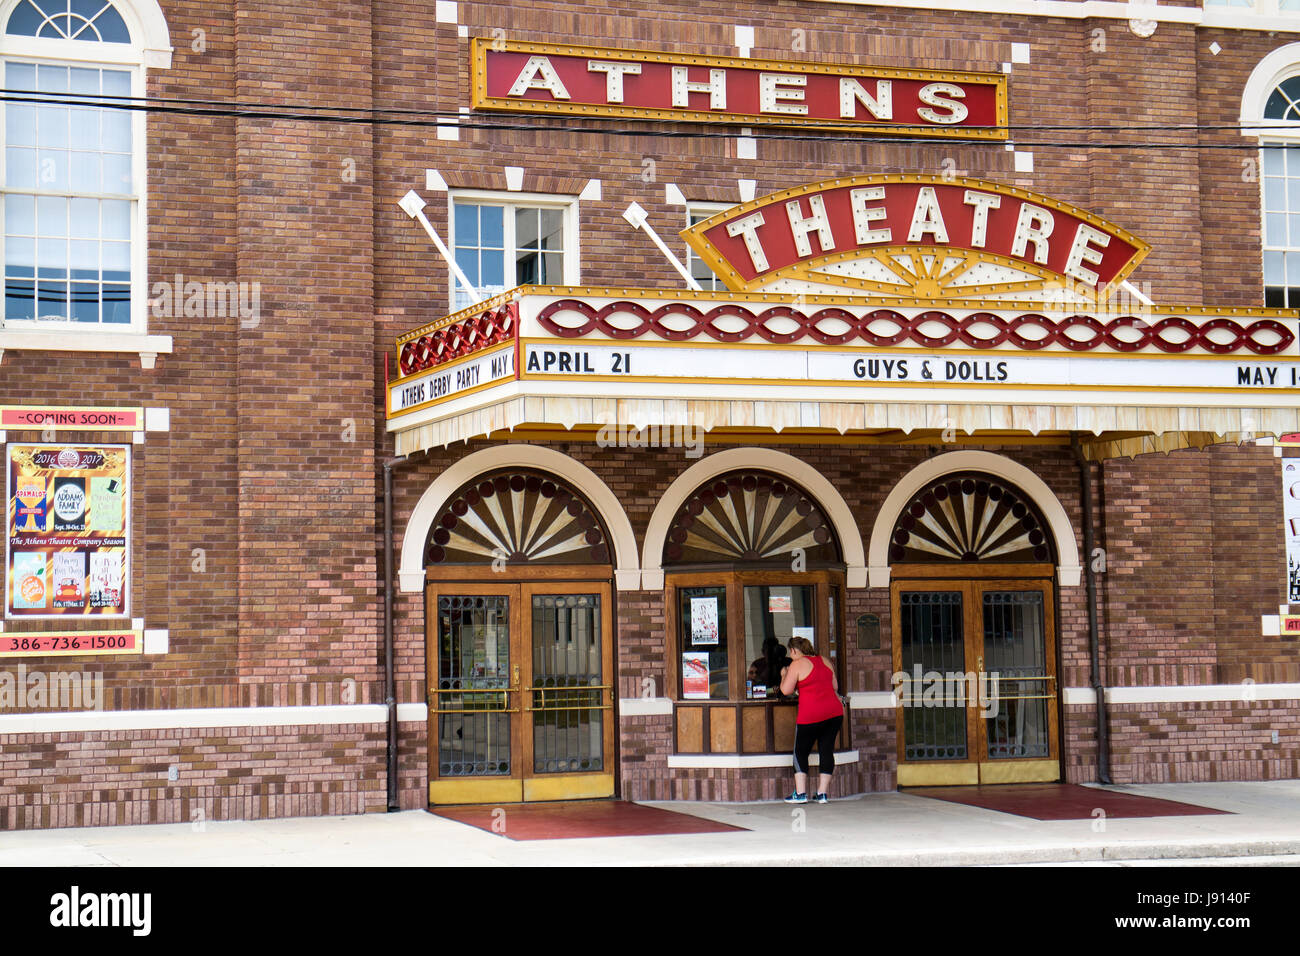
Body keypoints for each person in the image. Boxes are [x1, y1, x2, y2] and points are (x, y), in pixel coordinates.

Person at [779, 636, 844, 804]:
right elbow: (835, 687)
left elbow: (786, 690)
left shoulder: (796, 664)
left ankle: (800, 794)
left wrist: (784, 675)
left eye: (790, 652)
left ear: (793, 650)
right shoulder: (825, 660)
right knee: (826, 750)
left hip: (811, 714)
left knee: (800, 752)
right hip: (834, 712)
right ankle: (822, 794)